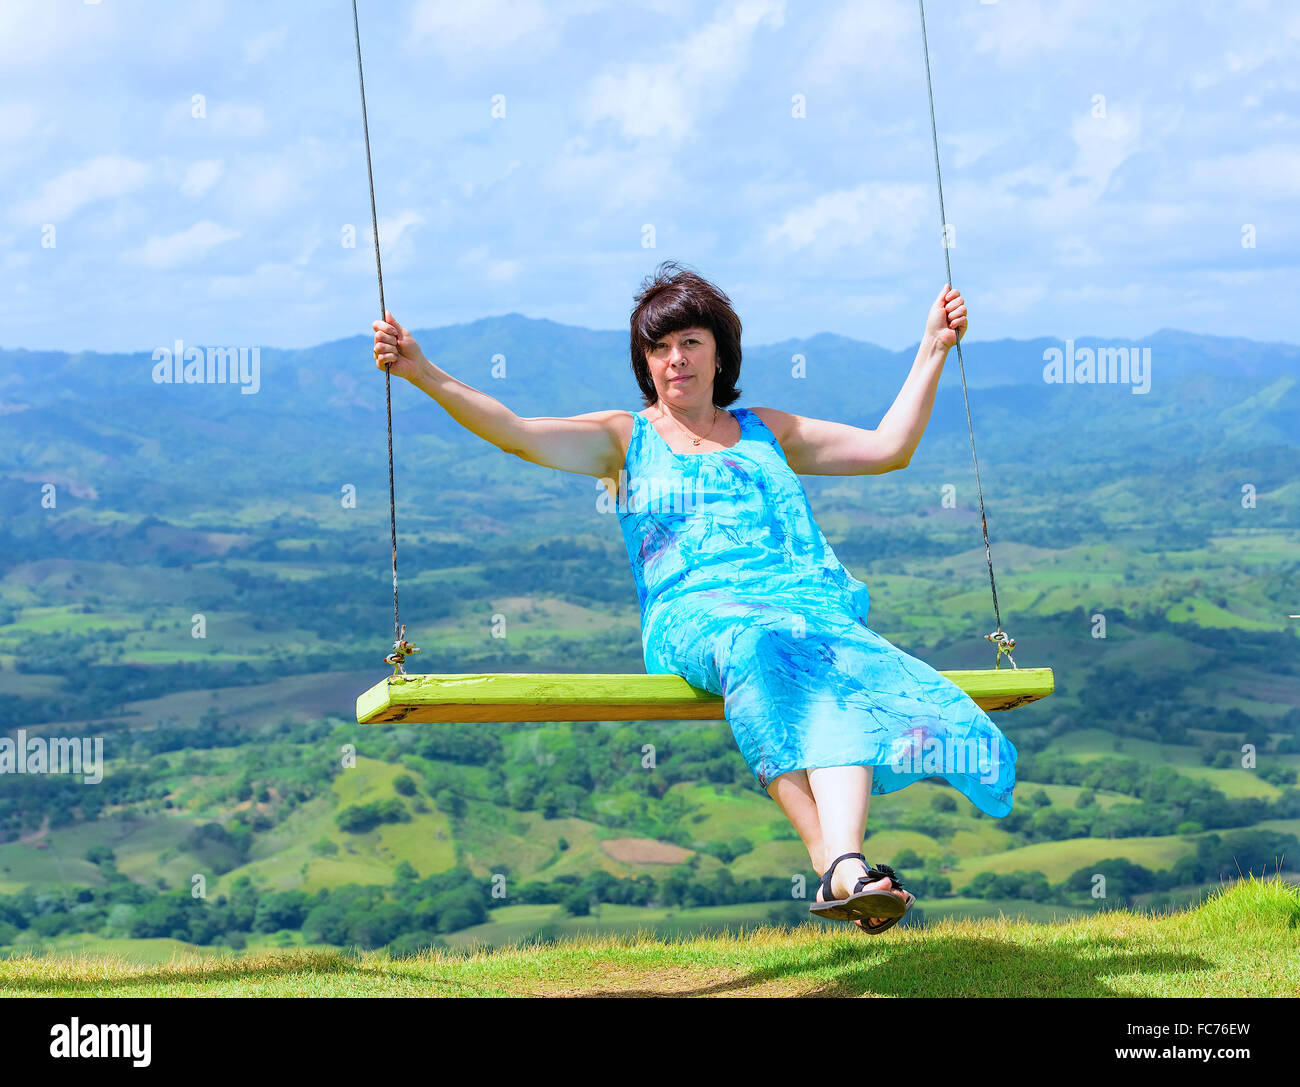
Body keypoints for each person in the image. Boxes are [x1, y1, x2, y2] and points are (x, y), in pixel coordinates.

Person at [371, 260, 1017, 932]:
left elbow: (889, 447)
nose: (673, 359)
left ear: (720, 352)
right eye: (657, 347)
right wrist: (423, 370)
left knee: (830, 652)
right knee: (762, 640)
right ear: (644, 361)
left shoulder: (768, 431)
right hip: (695, 619)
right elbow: (517, 431)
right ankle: (833, 858)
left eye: (689, 343)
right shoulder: (626, 439)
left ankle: (848, 868)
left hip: (799, 610)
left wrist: (931, 350)